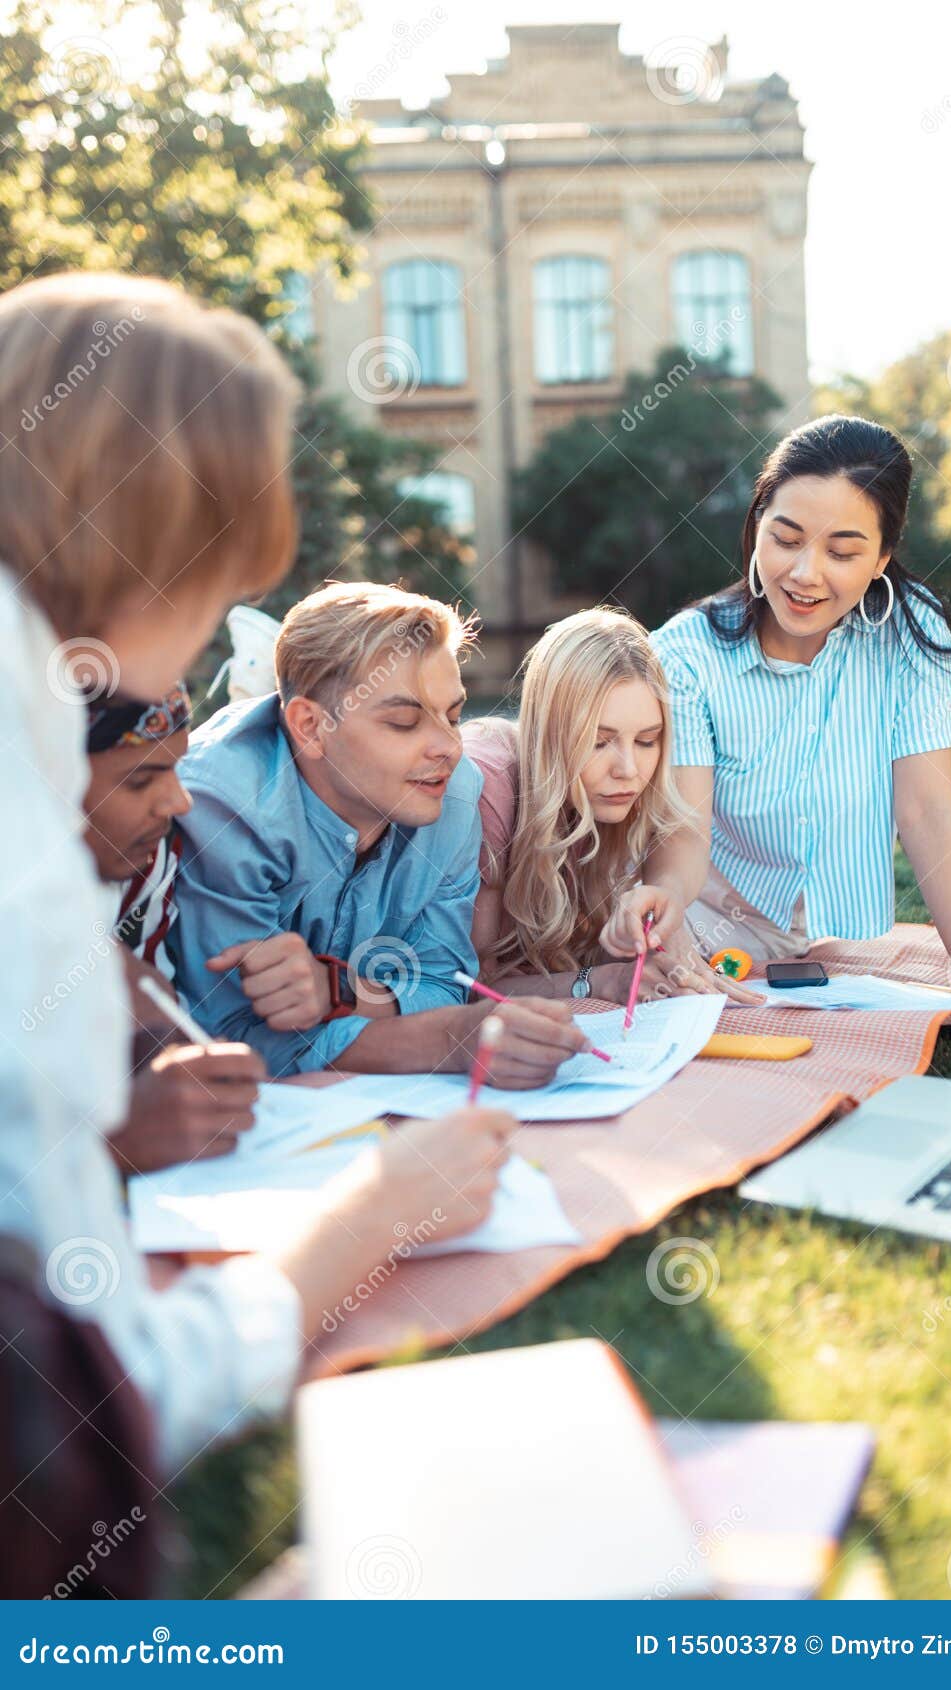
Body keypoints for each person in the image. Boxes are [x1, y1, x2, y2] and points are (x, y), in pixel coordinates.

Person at [0, 271, 514, 1488]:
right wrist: (372, 1218)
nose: (213, 623)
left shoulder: (439, 797)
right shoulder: (47, 864)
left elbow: (446, 968)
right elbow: (110, 1398)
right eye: (218, 578)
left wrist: (359, 991)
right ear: (152, 554)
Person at [600, 414, 951, 994]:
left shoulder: (913, 634)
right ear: (756, 524)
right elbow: (686, 828)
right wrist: (663, 899)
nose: (805, 573)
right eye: (786, 540)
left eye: (843, 553)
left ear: (883, 558)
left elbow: (928, 808)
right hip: (699, 921)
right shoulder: (685, 656)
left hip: (816, 938)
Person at [169, 582, 591, 1087]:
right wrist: (449, 1039)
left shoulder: (453, 792)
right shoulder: (223, 805)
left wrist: (341, 991)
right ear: (309, 726)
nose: (449, 748)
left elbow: (443, 981)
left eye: (454, 716)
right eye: (404, 722)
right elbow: (227, 1041)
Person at [462, 609, 761, 1004]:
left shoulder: (611, 805)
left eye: (647, 740)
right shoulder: (489, 789)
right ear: (549, 731)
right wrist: (598, 982)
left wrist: (653, 948)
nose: (629, 770)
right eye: (599, 742)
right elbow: (467, 988)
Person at [83, 682, 268, 1175]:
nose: (179, 802)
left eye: (176, 769)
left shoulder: (139, 862)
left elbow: (150, 1017)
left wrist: (167, 1056)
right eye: (142, 780)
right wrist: (113, 1144)